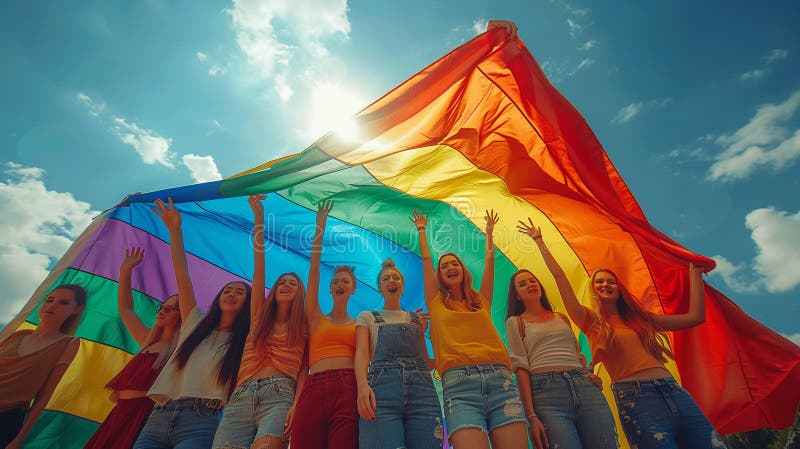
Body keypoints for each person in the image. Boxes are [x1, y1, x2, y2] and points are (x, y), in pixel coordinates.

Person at [518, 217, 726, 449]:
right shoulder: (591, 322)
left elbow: (695, 317)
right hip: (636, 398)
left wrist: (694, 274)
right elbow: (560, 279)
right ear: (594, 290)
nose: (605, 285)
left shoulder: (642, 320)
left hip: (673, 390)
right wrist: (540, 243)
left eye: (610, 282)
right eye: (599, 283)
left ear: (619, 289)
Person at [133, 198, 252, 449]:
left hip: (203, 420)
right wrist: (175, 230)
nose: (231, 294)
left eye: (239, 292)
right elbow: (182, 276)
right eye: (228, 290)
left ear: (248, 304)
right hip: (159, 416)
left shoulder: (245, 340)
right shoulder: (194, 322)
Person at [411, 210, 528, 449]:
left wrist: (488, 234)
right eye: (445, 266)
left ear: (463, 270)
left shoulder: (482, 300)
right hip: (459, 386)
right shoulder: (435, 302)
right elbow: (426, 261)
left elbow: (490, 262)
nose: (451, 267)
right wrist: (422, 231)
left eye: (455, 263)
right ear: (440, 276)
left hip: (500, 381)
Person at [212, 194, 309, 449]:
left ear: (300, 294)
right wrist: (258, 218)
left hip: (281, 395)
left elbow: (303, 373)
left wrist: (297, 405)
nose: (287, 285)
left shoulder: (303, 328)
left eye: (293, 284)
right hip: (242, 395)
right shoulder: (257, 317)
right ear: (274, 289)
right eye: (283, 282)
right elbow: (259, 266)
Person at [505, 266, 617, 449]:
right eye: (522, 284)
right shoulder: (515, 322)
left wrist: (588, 374)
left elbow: (577, 354)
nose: (530, 284)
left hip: (584, 387)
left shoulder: (561, 318)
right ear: (517, 295)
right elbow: (521, 368)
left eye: (532, 280)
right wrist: (531, 416)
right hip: (546, 393)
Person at [84, 248, 182, 449]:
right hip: (119, 412)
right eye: (163, 306)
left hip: (145, 416)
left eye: (171, 308)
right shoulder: (148, 340)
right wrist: (126, 270)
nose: (163, 311)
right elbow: (126, 309)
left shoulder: (180, 350)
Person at [290, 200, 359, 449]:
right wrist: (320, 227)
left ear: (353, 289)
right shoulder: (316, 316)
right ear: (330, 289)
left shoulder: (360, 324)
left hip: (349, 386)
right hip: (314, 386)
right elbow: (314, 270)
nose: (339, 284)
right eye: (335, 281)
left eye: (345, 281)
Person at [354, 259, 443, 449]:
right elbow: (361, 354)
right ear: (380, 287)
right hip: (381, 395)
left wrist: (422, 333)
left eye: (396, 278)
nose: (391, 281)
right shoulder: (367, 316)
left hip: (423, 395)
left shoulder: (415, 319)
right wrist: (362, 386)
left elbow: (426, 364)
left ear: (403, 286)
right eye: (386, 278)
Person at [0, 284, 86, 449]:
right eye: (49, 300)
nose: (52, 305)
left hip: (6, 418)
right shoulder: (18, 335)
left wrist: (19, 439)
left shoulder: (69, 344)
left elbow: (44, 396)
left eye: (64, 302)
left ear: (77, 309)